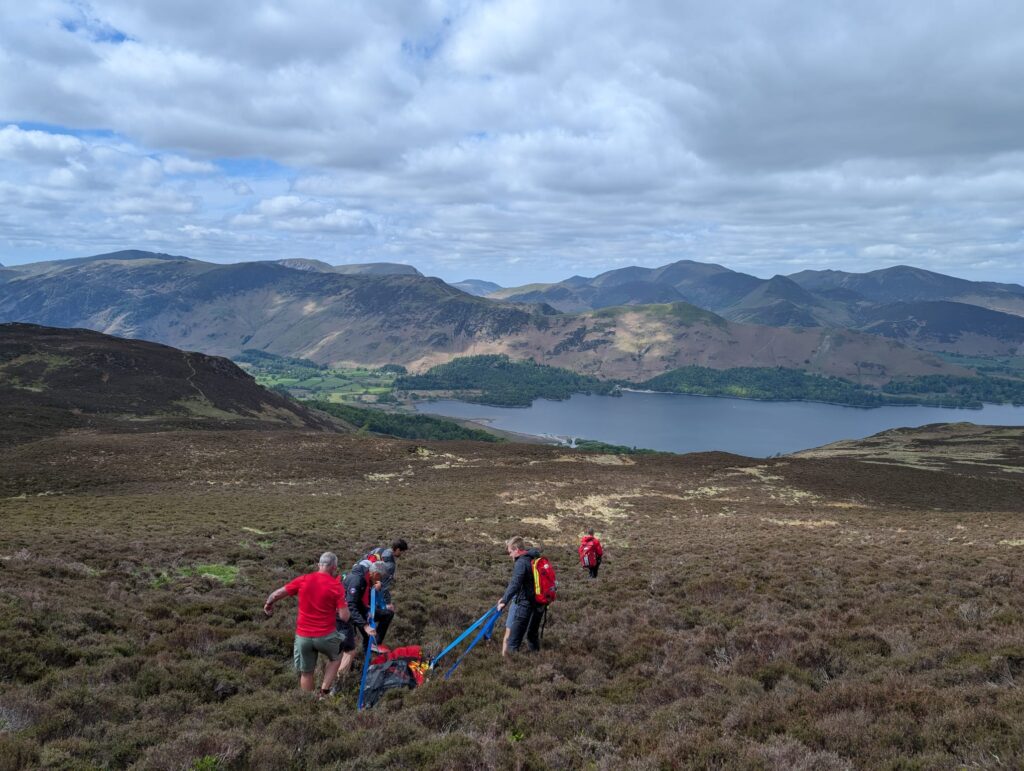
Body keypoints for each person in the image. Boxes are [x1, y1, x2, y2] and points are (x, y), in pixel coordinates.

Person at [263, 551, 353, 698]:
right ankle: (323, 692)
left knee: (306, 672)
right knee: (337, 658)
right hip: (326, 636)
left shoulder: (303, 579)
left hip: (303, 636)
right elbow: (344, 616)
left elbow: (276, 594)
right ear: (334, 567)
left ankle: (308, 702)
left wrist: (268, 604)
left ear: (319, 565)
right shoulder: (336, 586)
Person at [496, 536, 544, 656]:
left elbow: (515, 584)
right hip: (540, 603)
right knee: (532, 636)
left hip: (525, 604)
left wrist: (504, 600)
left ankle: (510, 668)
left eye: (511, 552)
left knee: (513, 642)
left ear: (517, 549)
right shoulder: (534, 557)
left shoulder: (521, 563)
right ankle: (538, 662)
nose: (510, 555)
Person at [362, 538, 409, 645]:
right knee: (384, 614)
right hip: (371, 592)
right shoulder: (390, 565)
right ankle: (374, 643)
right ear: (397, 549)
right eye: (401, 551)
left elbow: (363, 561)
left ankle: (367, 641)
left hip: (361, 586)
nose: (402, 554)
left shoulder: (378, 550)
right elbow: (383, 586)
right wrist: (388, 603)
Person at [343, 557, 388, 654]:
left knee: (367, 636)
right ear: (375, 574)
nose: (380, 580)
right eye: (380, 577)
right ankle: (344, 668)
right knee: (350, 649)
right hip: (343, 615)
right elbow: (351, 604)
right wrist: (364, 625)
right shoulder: (358, 580)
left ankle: (365, 660)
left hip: (354, 610)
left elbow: (358, 601)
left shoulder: (366, 578)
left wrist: (366, 611)